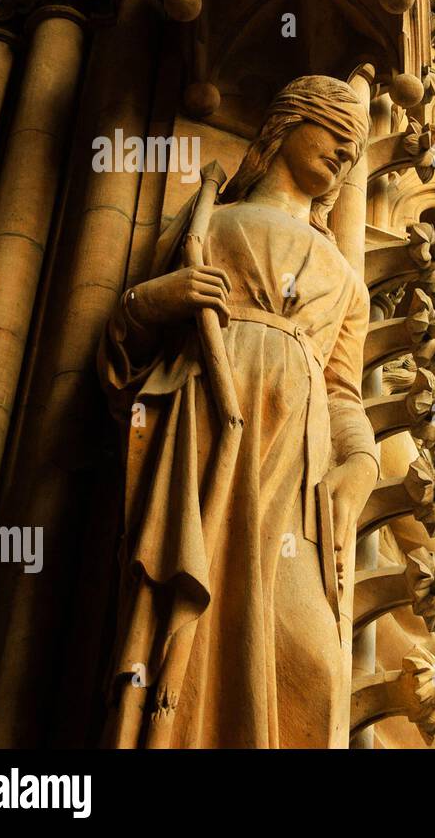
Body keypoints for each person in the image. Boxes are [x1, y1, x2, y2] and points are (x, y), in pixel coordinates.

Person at [98, 75, 378, 747]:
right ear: (287, 122)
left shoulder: (346, 278)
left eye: (354, 150)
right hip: (206, 427)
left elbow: (342, 390)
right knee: (179, 630)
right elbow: (123, 349)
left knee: (313, 662)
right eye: (335, 136)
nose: (343, 158)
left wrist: (363, 458)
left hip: (299, 463)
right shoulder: (208, 223)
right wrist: (154, 300)